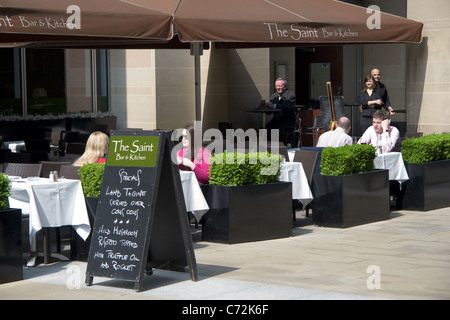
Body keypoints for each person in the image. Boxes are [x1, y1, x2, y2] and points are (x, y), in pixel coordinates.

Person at [265, 78, 296, 145]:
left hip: (287, 121)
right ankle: (268, 148)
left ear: (285, 86)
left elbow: (288, 107)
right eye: (277, 86)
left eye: (280, 86)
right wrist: (265, 107)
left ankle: (283, 148)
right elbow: (269, 112)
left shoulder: (290, 95)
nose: (278, 88)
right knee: (265, 128)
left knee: (278, 129)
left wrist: (274, 106)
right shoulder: (273, 96)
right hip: (276, 120)